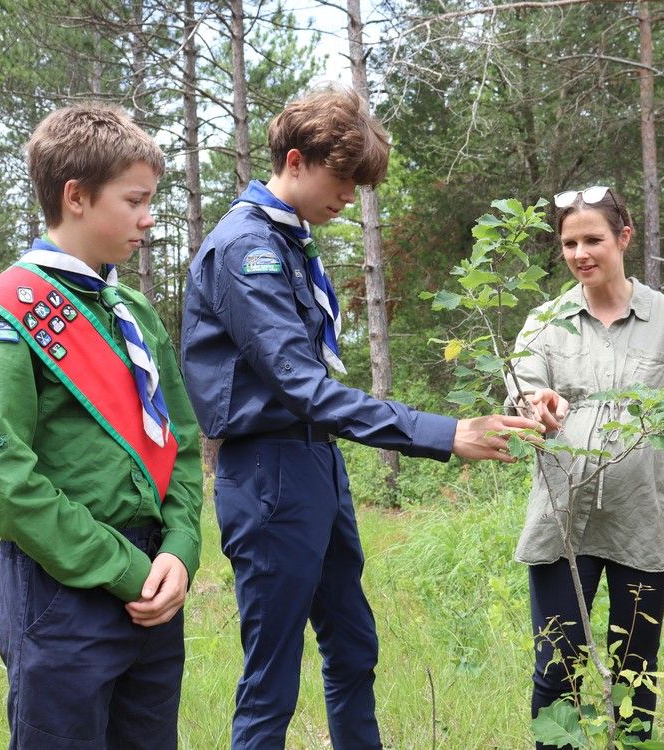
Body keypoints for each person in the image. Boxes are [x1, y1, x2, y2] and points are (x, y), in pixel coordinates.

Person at [180, 85, 541, 750]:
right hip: (269, 472)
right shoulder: (246, 249)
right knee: (273, 679)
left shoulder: (290, 241)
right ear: (296, 160)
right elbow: (301, 385)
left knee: (353, 644)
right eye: (342, 179)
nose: (349, 198)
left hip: (316, 463)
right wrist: (444, 433)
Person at [0, 104, 203, 749]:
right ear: (75, 197)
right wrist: (120, 566)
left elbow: (180, 442)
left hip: (155, 576)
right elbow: (2, 478)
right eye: (135, 200)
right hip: (62, 586)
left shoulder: (131, 310)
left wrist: (179, 548)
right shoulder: (4, 316)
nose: (149, 217)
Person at [505, 185, 664, 745]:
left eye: (593, 239)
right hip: (564, 524)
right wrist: (538, 404)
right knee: (557, 668)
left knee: (636, 668)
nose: (581, 253)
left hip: (645, 521)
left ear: (623, 237)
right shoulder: (544, 320)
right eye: (569, 242)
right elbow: (521, 393)